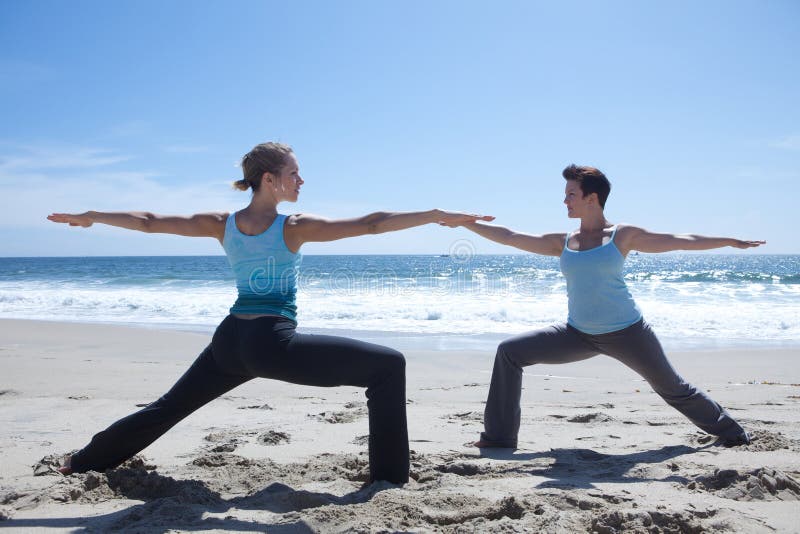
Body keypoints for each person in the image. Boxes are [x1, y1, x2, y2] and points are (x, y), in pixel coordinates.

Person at [47, 141, 493, 484]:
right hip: (271, 343)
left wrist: (91, 216)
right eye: (294, 173)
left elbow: (146, 220)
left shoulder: (220, 223)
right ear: (269, 179)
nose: (302, 181)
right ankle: (390, 480)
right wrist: (436, 215)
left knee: (168, 407)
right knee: (388, 366)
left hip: (230, 341)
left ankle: (82, 462)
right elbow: (372, 223)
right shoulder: (292, 228)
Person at [441, 164, 764, 450]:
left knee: (673, 388)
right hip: (576, 333)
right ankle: (499, 437)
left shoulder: (622, 236)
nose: (565, 201)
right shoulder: (564, 241)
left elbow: (682, 239)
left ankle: (733, 433)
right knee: (509, 352)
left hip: (627, 333)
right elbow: (510, 236)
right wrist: (466, 224)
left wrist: (727, 241)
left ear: (591, 198)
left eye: (570, 194)